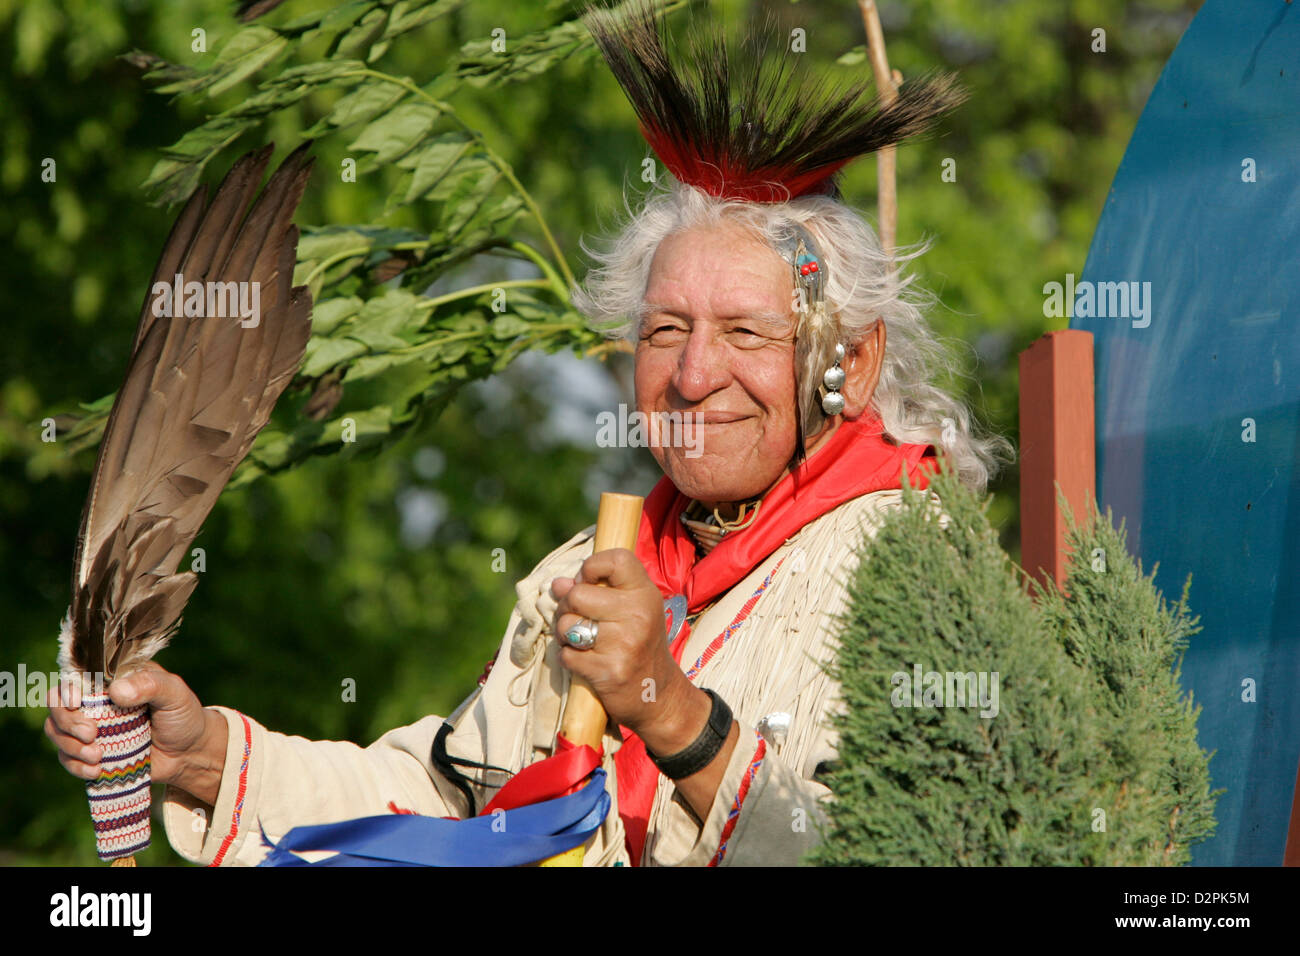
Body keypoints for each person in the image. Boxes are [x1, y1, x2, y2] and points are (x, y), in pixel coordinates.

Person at [46, 2, 1010, 866]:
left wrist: (665, 708)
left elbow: (905, 847)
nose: (693, 373)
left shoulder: (917, 566)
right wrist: (206, 755)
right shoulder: (591, 569)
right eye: (664, 329)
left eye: (746, 333)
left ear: (853, 363)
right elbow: (452, 810)